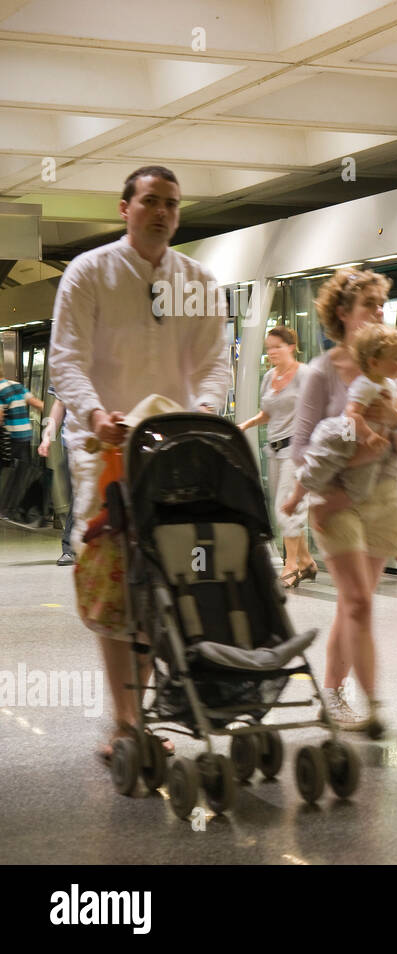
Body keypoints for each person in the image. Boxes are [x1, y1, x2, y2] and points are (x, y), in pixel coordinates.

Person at [48, 164, 230, 763]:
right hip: (104, 450)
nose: (162, 212)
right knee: (117, 581)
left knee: (164, 579)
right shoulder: (90, 273)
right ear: (124, 208)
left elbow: (214, 362)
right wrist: (96, 415)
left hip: (174, 451)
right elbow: (66, 359)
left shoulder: (198, 279)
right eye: (150, 201)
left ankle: (139, 715)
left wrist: (204, 409)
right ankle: (126, 722)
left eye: (172, 204)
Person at [291, 268, 397, 735]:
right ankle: (345, 694)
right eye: (369, 304)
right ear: (342, 313)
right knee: (358, 601)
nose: (379, 313)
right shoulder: (322, 372)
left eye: (382, 305)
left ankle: (337, 692)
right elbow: (301, 447)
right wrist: (337, 474)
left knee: (355, 603)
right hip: (335, 499)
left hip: (383, 496)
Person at [282, 323, 397, 520]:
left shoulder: (390, 385)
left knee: (360, 490)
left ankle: (326, 509)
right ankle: (295, 498)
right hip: (343, 435)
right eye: (396, 359)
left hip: (366, 445)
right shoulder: (365, 385)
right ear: (374, 363)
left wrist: (395, 421)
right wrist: (369, 435)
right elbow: (352, 414)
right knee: (320, 464)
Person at [237, 325, 316, 587]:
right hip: (274, 449)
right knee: (284, 505)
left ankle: (291, 565)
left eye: (277, 347)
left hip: (297, 450)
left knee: (285, 506)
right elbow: (267, 413)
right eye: (269, 347)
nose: (271, 352)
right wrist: (244, 426)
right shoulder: (269, 377)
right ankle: (306, 561)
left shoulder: (304, 375)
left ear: (291, 347)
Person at [0, 369, 45, 528]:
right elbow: (37, 403)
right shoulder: (17, 386)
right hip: (25, 435)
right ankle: (20, 509)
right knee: (23, 472)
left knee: (11, 472)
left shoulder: (0, 390)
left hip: (10, 438)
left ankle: (9, 509)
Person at [38, 394, 77, 564]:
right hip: (76, 442)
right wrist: (48, 436)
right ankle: (70, 548)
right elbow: (60, 404)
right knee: (78, 496)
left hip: (113, 436)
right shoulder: (65, 368)